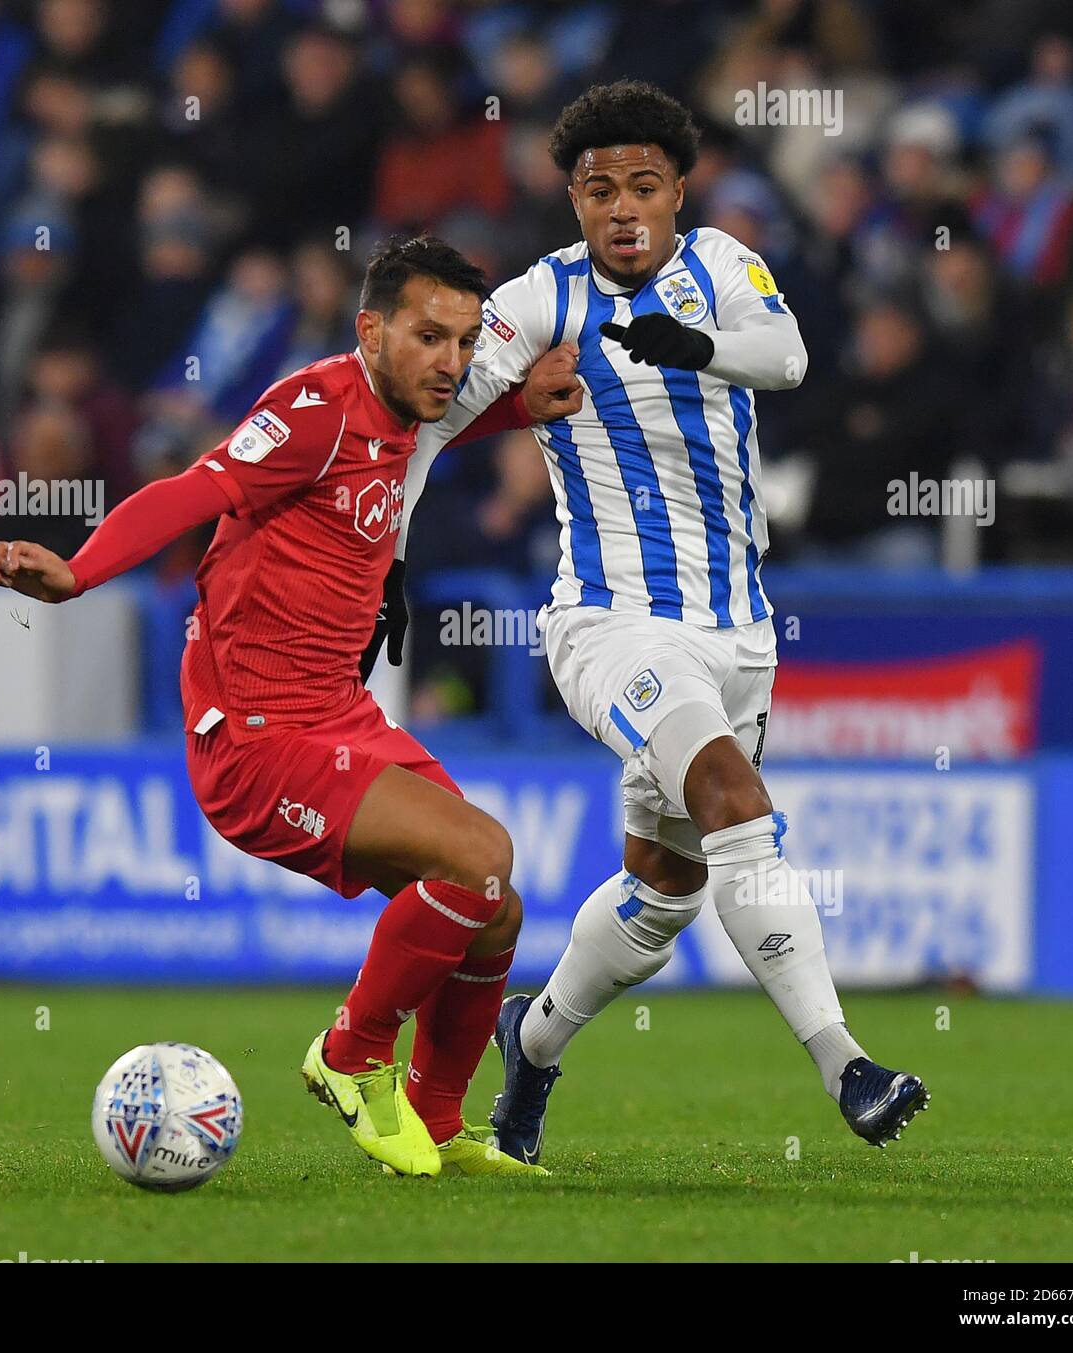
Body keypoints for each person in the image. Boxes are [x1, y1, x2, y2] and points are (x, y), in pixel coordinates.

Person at [389, 82, 930, 1164]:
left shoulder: (725, 266)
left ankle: (530, 1047)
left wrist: (685, 345)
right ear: (574, 202)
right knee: (737, 801)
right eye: (598, 190)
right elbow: (429, 417)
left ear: (680, 191)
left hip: (738, 632)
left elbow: (785, 360)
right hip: (611, 626)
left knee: (665, 892)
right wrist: (385, 559)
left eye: (643, 185)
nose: (622, 209)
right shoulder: (540, 300)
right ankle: (846, 1066)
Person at [0, 235, 583, 1179]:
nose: (453, 362)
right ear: (371, 329)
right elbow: (195, 488)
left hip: (337, 712)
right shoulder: (312, 409)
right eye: (431, 337)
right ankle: (350, 1052)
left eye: (467, 343)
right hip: (256, 737)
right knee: (480, 859)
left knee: (493, 909)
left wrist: (517, 405)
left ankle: (431, 1123)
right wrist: (79, 571)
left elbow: (433, 429)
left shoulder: (402, 412)